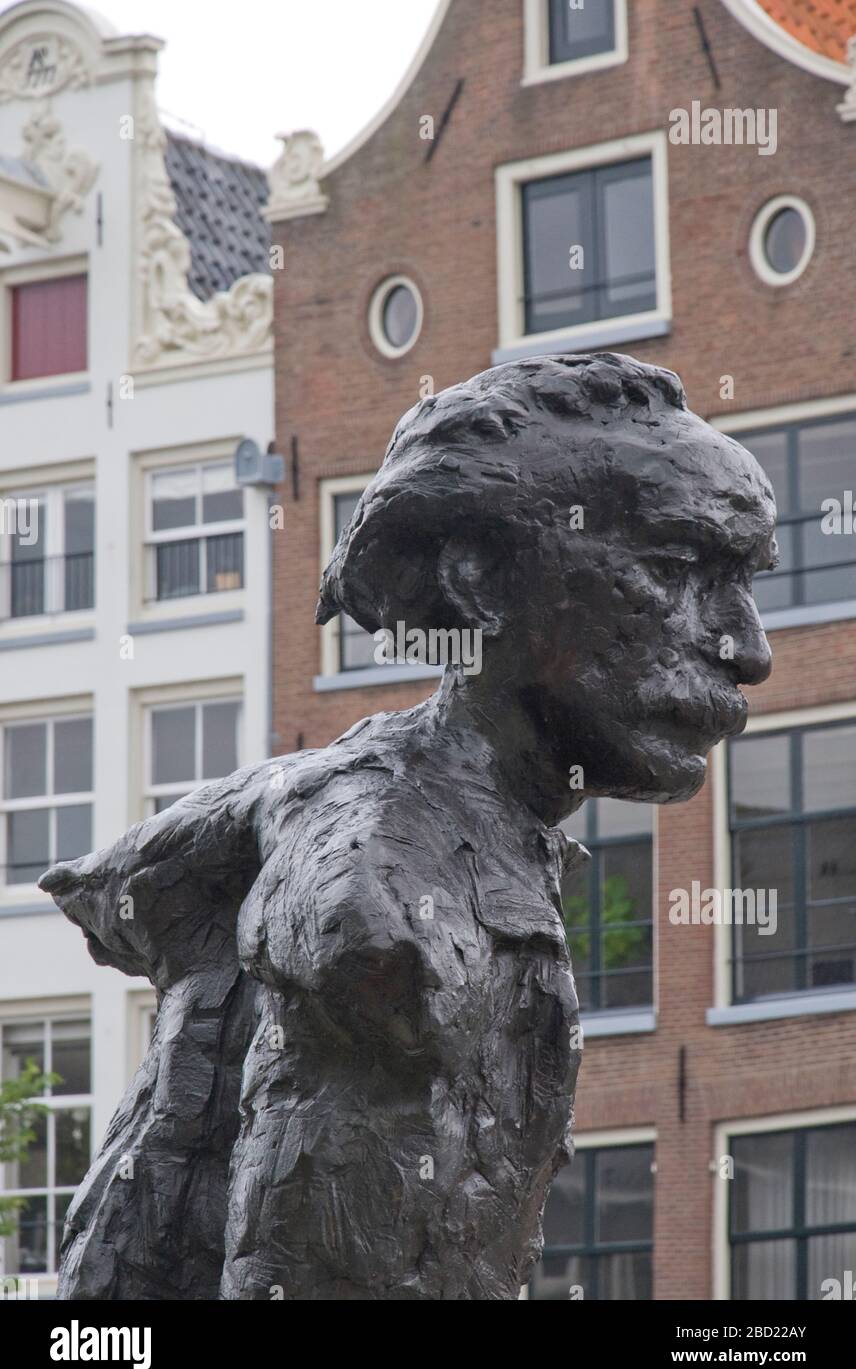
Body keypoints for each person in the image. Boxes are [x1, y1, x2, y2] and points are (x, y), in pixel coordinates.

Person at [41, 352, 776, 1300]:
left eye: (747, 582)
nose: (748, 650)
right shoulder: (402, 917)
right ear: (479, 581)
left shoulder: (375, 811)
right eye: (678, 569)